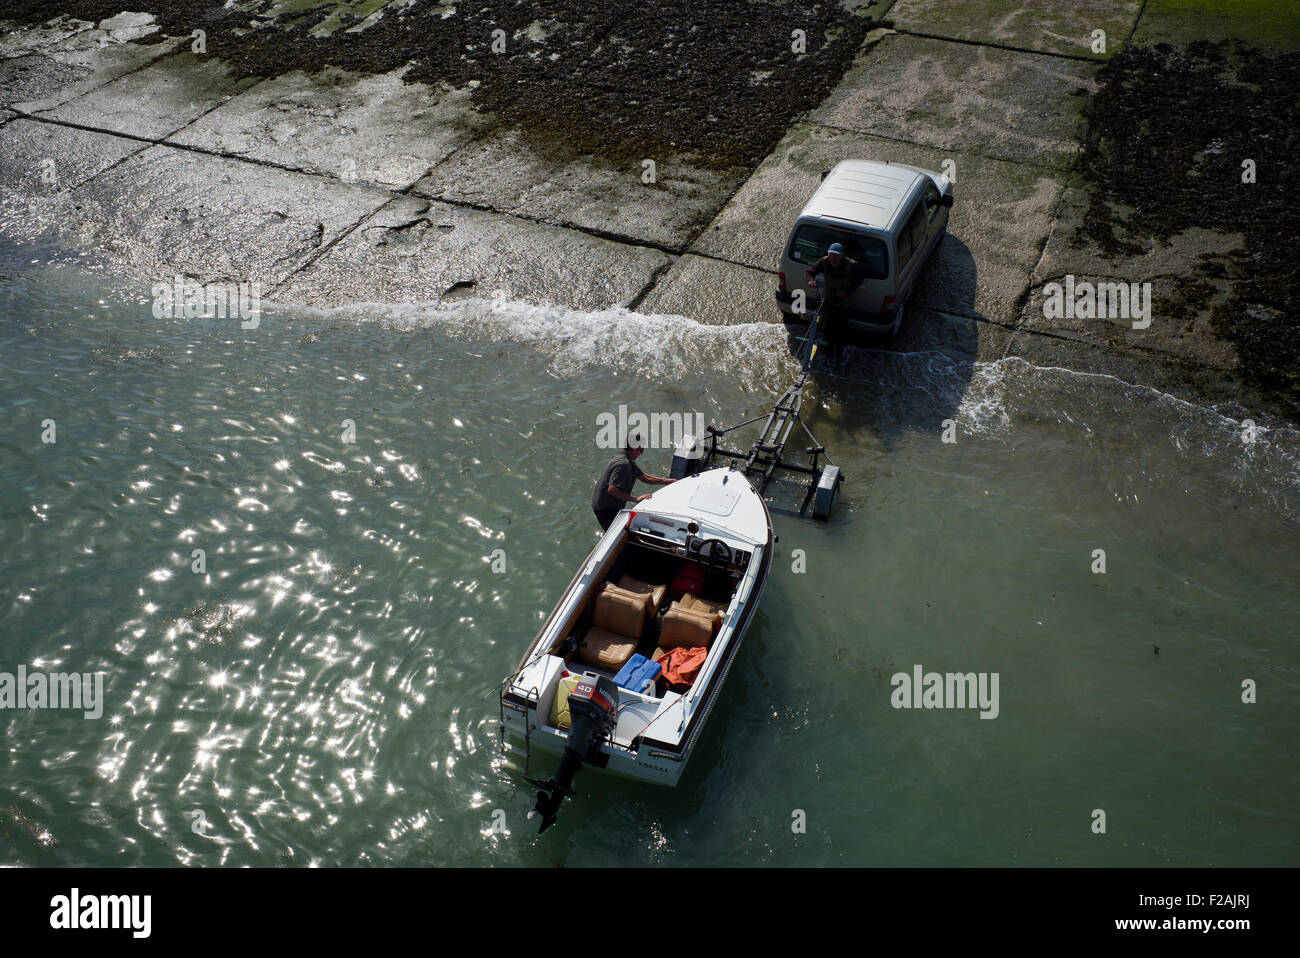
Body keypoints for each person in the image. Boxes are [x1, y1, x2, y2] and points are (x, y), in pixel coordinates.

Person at [591, 432, 675, 530]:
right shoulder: (623, 464)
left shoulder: (627, 459)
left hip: (611, 505)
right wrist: (635, 499)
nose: (641, 453)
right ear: (635, 449)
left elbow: (644, 477)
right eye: (642, 450)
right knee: (617, 532)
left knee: (622, 529)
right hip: (606, 509)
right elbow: (612, 489)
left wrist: (668, 481)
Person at [804, 242, 863, 346]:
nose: (832, 259)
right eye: (831, 256)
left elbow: (859, 280)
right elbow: (810, 271)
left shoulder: (852, 266)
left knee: (841, 325)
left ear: (842, 255)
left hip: (844, 300)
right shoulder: (824, 261)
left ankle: (838, 347)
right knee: (826, 322)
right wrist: (810, 280)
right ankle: (824, 343)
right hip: (829, 298)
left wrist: (847, 292)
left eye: (835, 257)